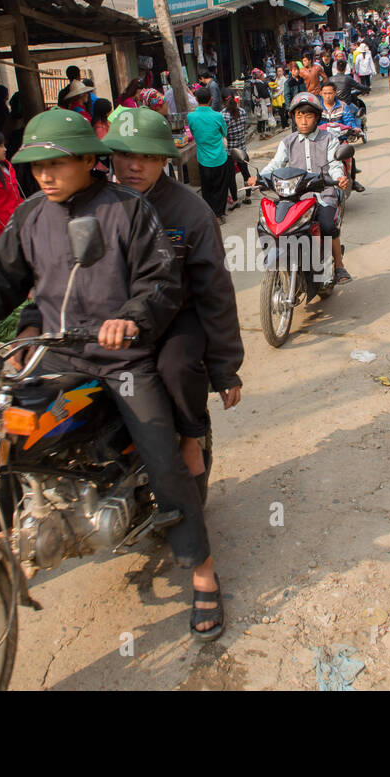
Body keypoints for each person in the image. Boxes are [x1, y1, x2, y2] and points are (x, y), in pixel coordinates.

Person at [0, 109, 224, 639]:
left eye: (56, 164)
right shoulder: (31, 214)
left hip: (121, 358)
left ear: (87, 159)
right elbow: (1, 282)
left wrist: (129, 319)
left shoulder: (127, 209)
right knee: (2, 434)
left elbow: (161, 283)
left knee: (163, 456)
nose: (45, 175)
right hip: (54, 355)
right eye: (35, 166)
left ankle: (202, 573)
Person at [98, 108, 244, 502]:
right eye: (125, 154)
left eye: (146, 156)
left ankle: (192, 440)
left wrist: (226, 368)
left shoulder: (190, 212)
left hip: (177, 321)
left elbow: (216, 291)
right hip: (114, 324)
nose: (133, 166)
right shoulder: (97, 206)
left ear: (165, 159)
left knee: (175, 366)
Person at [248, 92, 353, 284]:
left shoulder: (328, 139)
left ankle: (339, 266)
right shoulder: (288, 142)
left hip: (323, 193)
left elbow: (335, 164)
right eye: (299, 116)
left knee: (328, 226)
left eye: (308, 116)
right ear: (294, 118)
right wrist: (259, 178)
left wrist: (339, 178)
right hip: (295, 196)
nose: (303, 121)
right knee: (275, 226)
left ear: (316, 118)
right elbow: (275, 164)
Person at [185, 87, 232, 222]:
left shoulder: (191, 116)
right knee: (220, 187)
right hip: (219, 157)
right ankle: (218, 214)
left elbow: (193, 134)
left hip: (203, 158)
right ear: (211, 99)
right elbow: (224, 132)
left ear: (196, 99)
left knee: (207, 188)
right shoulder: (217, 116)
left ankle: (210, 213)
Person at [221, 92, 251, 211]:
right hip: (241, 147)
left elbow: (223, 133)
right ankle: (248, 196)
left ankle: (235, 200)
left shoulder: (222, 115)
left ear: (223, 102)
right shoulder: (242, 112)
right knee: (245, 172)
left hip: (229, 150)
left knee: (231, 176)